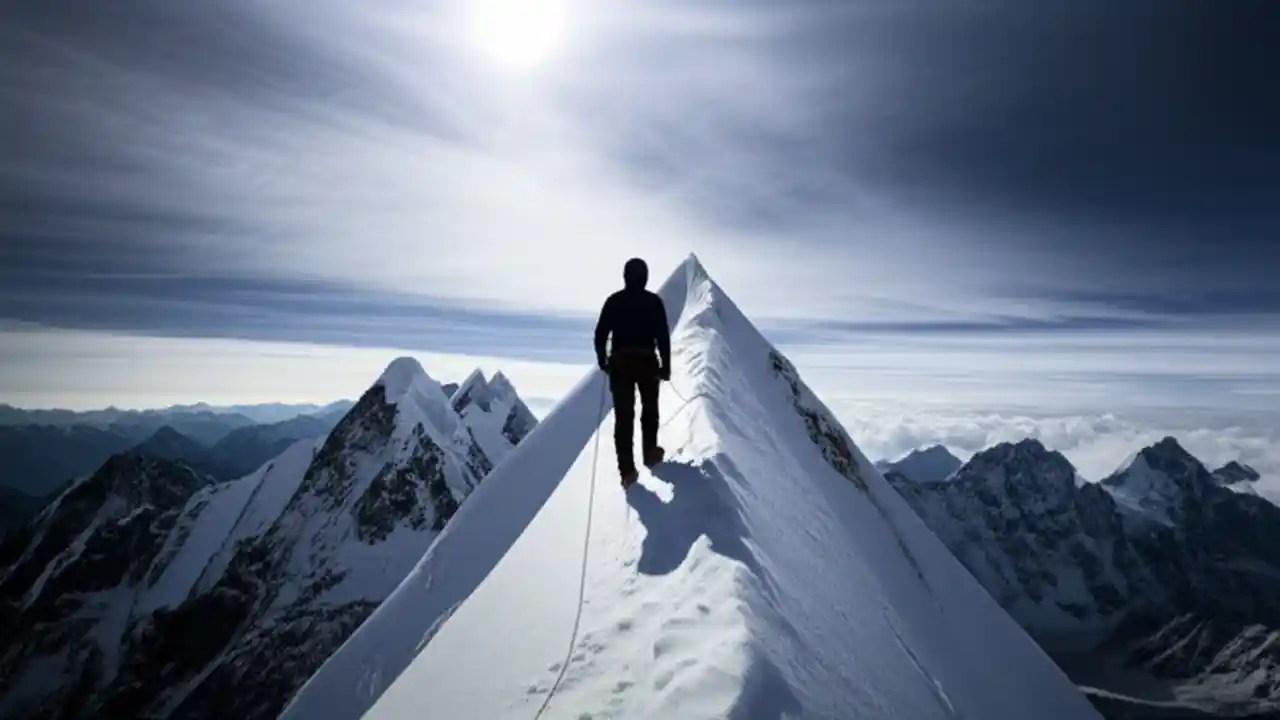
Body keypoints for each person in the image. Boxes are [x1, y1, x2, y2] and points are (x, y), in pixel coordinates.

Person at [594, 258, 671, 488]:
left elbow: (600, 335)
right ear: (645, 277)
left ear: (625, 276)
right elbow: (663, 337)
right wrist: (666, 367)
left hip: (620, 364)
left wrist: (603, 361)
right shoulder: (653, 302)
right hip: (647, 363)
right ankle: (650, 453)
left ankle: (627, 471)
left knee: (624, 417)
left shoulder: (614, 301)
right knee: (650, 411)